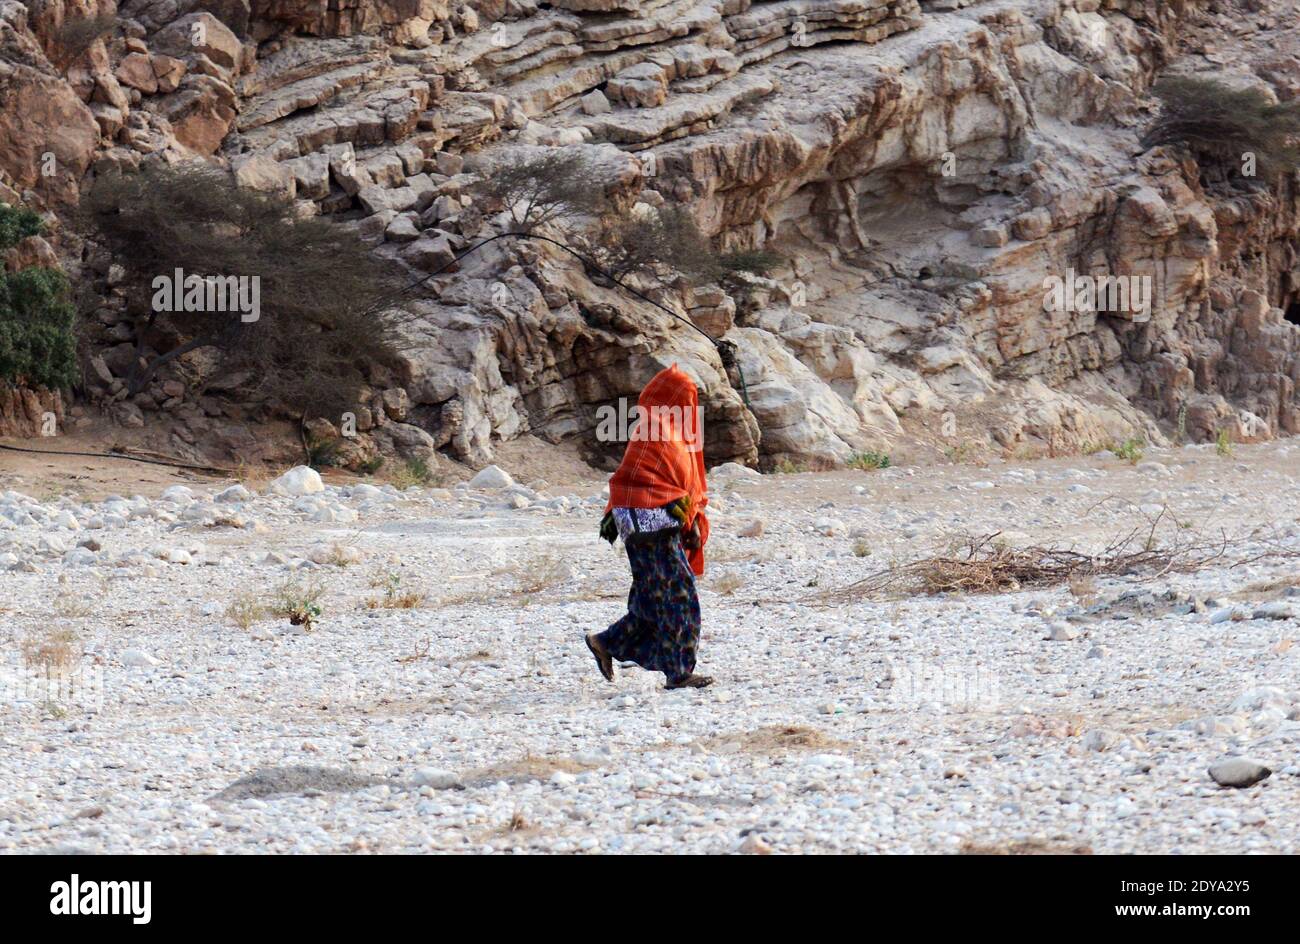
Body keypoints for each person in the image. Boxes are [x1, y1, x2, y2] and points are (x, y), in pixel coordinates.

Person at [585, 364, 713, 689]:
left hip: (637, 522)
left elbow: (663, 483)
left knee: (651, 596)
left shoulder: (657, 428)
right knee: (680, 597)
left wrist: (687, 520)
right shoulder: (660, 429)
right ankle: (679, 672)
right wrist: (688, 522)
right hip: (652, 523)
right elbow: (657, 484)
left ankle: (605, 642)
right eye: (686, 399)